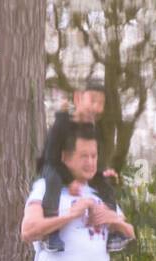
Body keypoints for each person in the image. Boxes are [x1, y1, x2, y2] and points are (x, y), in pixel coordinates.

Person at [20, 122, 134, 261]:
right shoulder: (47, 188)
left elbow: (130, 232)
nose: (90, 162)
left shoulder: (101, 191)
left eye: (94, 156)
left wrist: (114, 220)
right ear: (66, 157)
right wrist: (70, 215)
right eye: (83, 156)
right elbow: (28, 230)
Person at [36, 79, 119, 252]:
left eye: (101, 103)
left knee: (106, 185)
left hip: (77, 172)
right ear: (78, 98)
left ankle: (112, 231)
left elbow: (90, 159)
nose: (97, 108)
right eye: (93, 101)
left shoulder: (92, 129)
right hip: (54, 167)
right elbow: (51, 157)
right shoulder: (62, 124)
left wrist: (102, 172)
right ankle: (51, 234)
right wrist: (69, 180)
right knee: (53, 180)